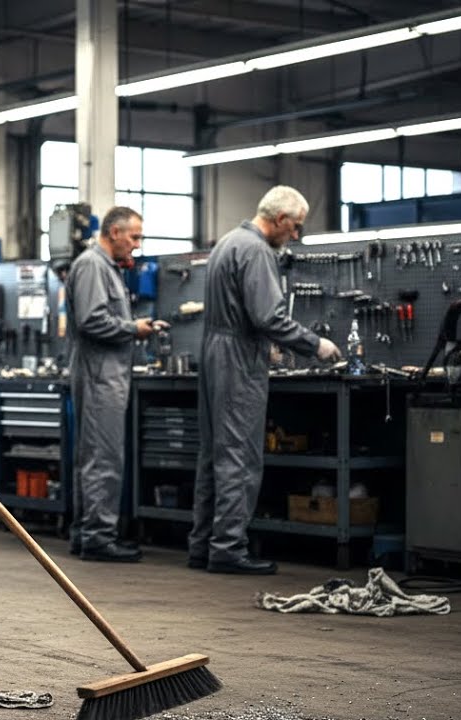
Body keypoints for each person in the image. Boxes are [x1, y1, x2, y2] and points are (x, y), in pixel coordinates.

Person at [189, 186, 341, 576]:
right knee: (239, 456)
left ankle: (203, 544)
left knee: (214, 455)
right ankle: (228, 549)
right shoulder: (257, 250)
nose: (296, 236)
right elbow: (269, 317)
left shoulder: (227, 242)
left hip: (216, 350)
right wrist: (315, 344)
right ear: (278, 219)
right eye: (295, 228)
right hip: (238, 358)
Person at [67, 207, 158, 563]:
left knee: (93, 457)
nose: (136, 245)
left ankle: (86, 533)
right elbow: (92, 320)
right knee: (103, 458)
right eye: (134, 237)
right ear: (115, 232)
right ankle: (99, 536)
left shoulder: (106, 268)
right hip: (99, 374)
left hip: (106, 372)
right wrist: (134, 328)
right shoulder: (92, 265)